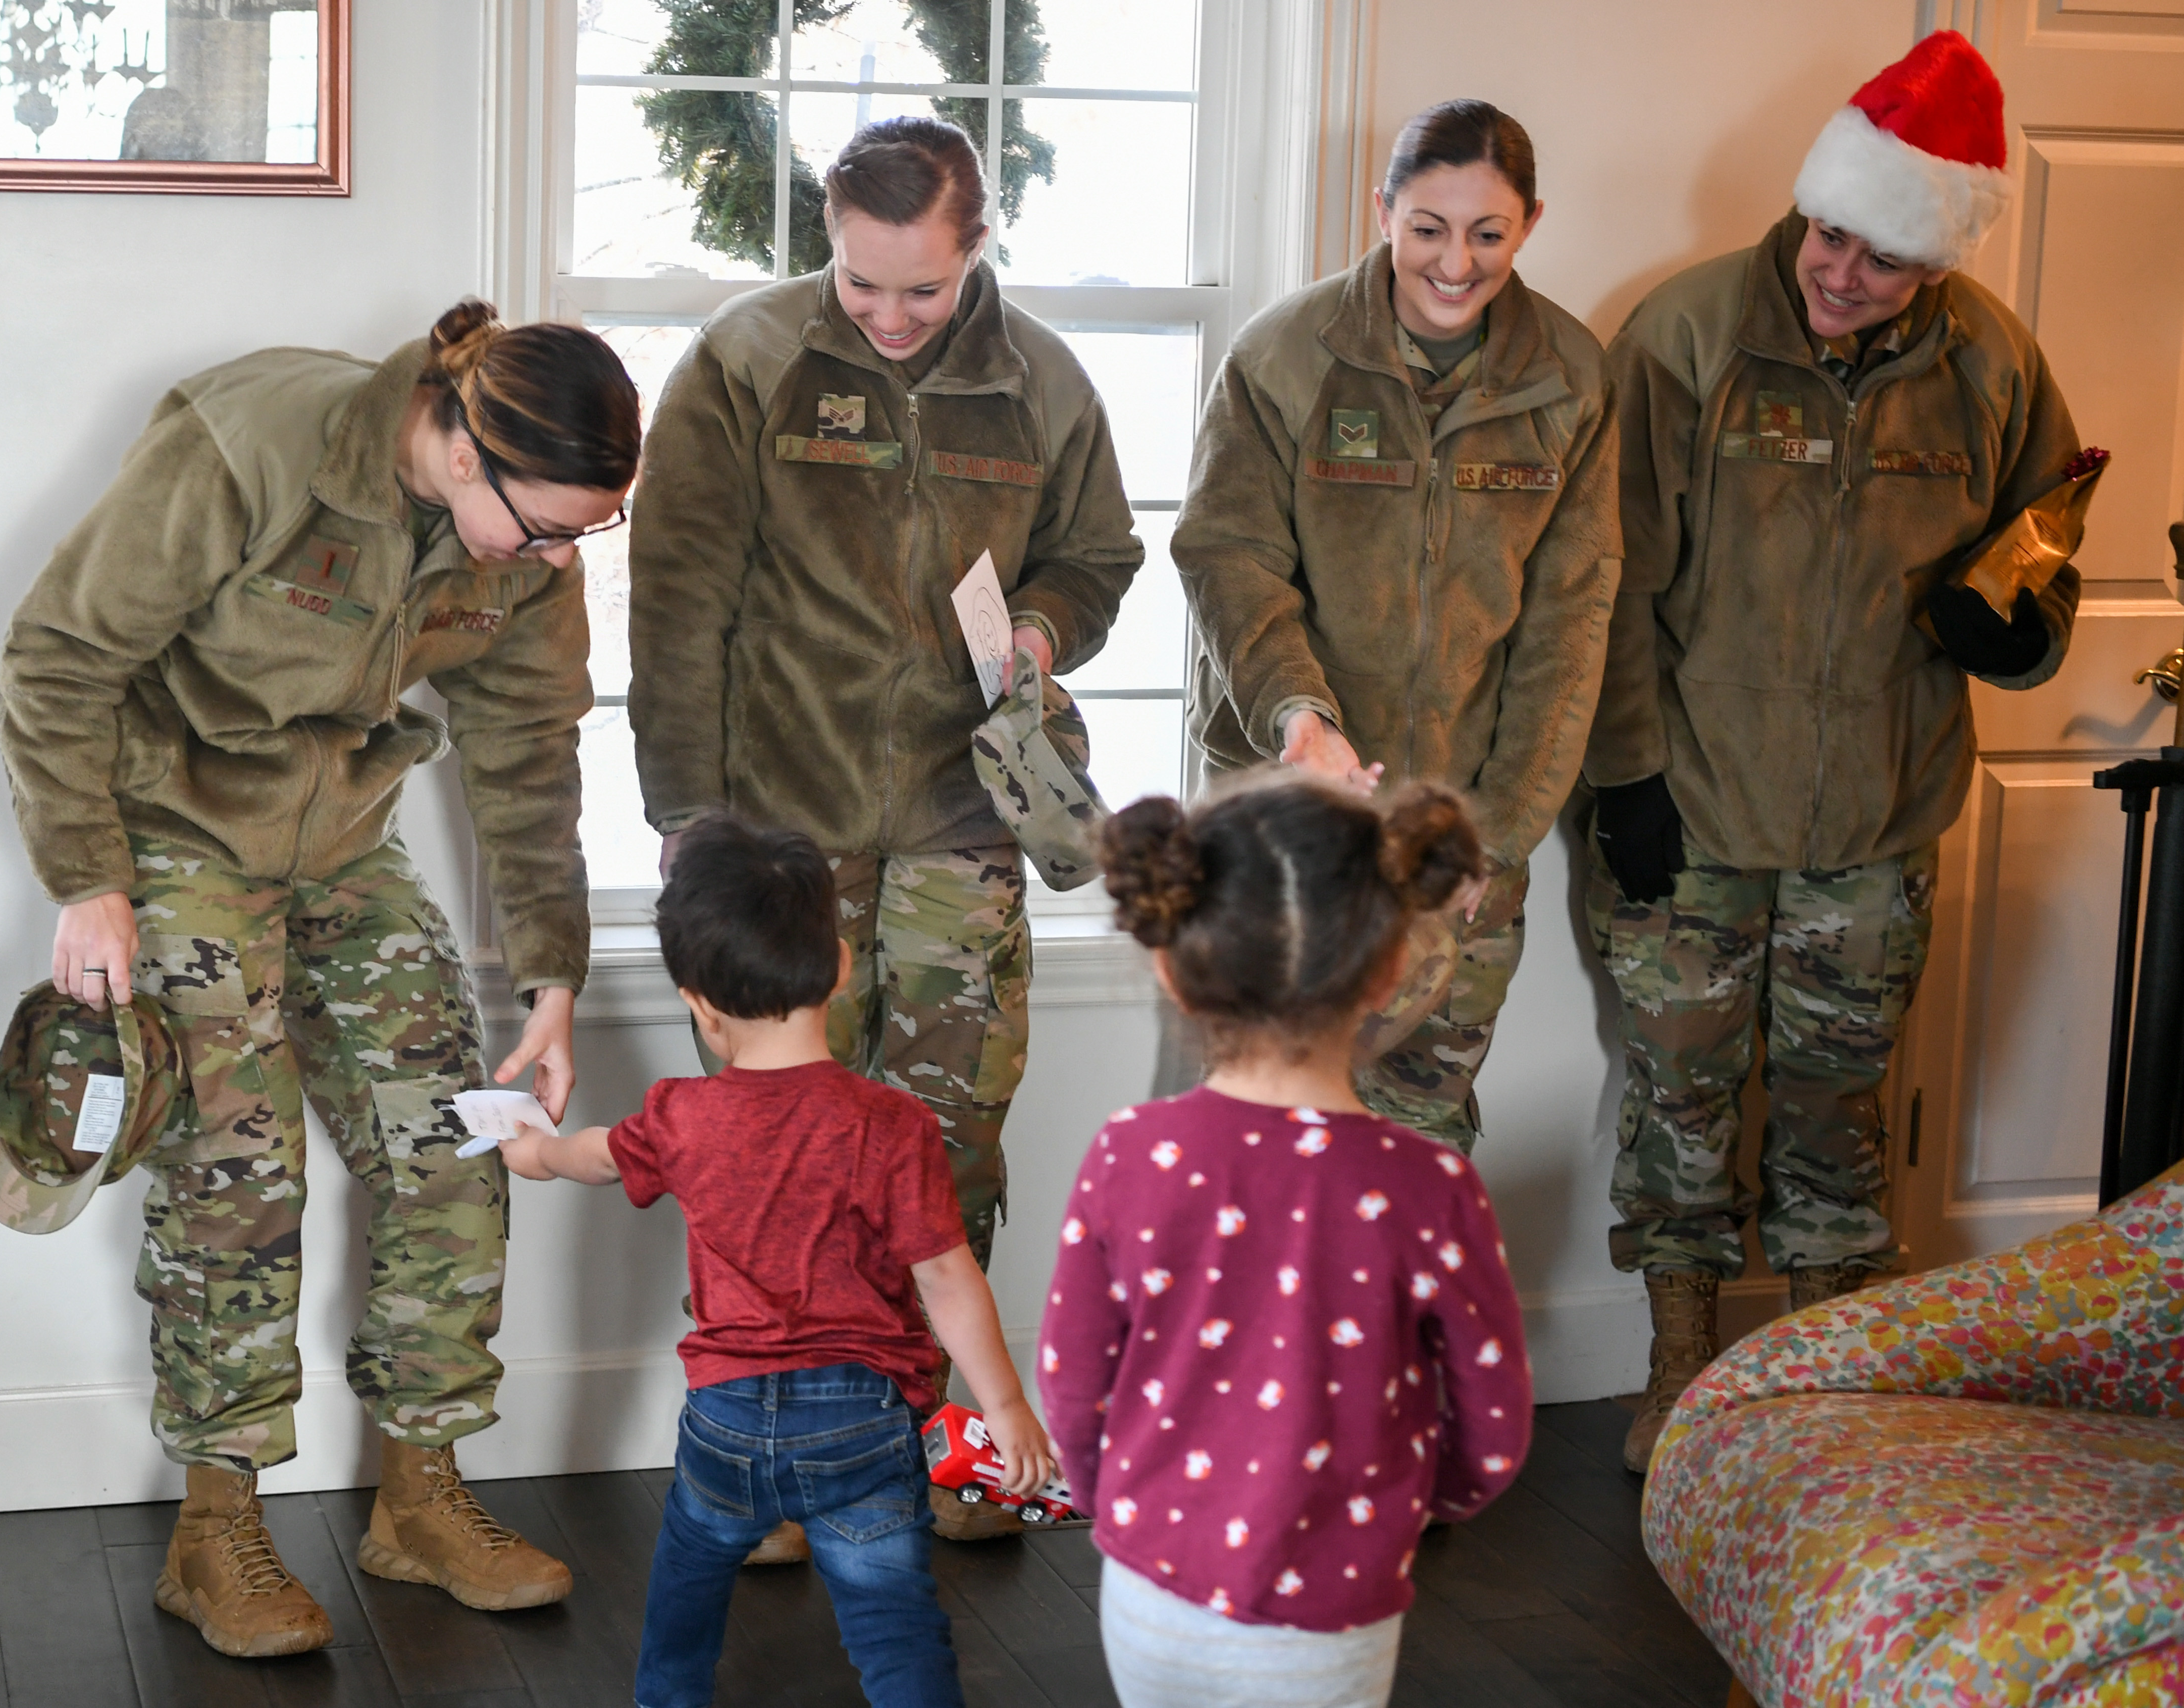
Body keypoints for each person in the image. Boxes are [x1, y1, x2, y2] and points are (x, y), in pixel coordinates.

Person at [0, 299, 638, 1657]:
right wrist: (87, 879)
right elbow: (59, 657)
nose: (559, 553)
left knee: (461, 1142)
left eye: (586, 531)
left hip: (345, 840)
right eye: (549, 523)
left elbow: (528, 756)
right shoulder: (255, 442)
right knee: (242, 1177)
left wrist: (552, 976)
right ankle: (214, 1528)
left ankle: (420, 1494)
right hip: (177, 831)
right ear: (466, 451)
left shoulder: (524, 556)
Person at [628, 115, 1141, 1542]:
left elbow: (1098, 554)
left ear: (976, 244)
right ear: (830, 242)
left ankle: (943, 1440)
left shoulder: (1041, 379)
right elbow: (674, 602)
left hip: (959, 814)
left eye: (921, 287)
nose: (893, 316)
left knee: (943, 1141)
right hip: (773, 826)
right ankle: (780, 1464)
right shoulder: (745, 361)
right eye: (863, 284)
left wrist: (1042, 624)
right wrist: (684, 815)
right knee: (769, 1156)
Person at [1582, 32, 2089, 1474]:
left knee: (1836, 1107)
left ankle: (1830, 1380)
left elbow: (2043, 536)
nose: (1836, 270)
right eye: (1826, 233)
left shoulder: (1990, 361)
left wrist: (2018, 628)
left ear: (1931, 265)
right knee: (1679, 1097)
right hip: (1686, 804)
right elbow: (1607, 578)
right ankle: (1678, 1365)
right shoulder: (1686, 337)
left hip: (1876, 808)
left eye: (1876, 255)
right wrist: (1622, 778)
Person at [502, 814, 1053, 1707]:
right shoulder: (892, 1123)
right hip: (864, 1425)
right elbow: (947, 1277)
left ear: (696, 1002)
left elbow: (593, 1154)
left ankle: (666, 1699)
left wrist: (531, 1153)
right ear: (839, 966)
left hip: (724, 1418)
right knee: (893, 1623)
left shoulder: (680, 1115)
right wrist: (1006, 1406)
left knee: (687, 1580)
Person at [1169, 100, 1620, 1154]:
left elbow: (1571, 614)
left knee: (1415, 1143)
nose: (1454, 263)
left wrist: (1495, 834)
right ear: (1381, 212)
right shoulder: (1284, 356)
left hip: (1456, 833)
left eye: (1486, 232)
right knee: (1269, 1134)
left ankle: (1390, 1327)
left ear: (1530, 222)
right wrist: (1299, 714)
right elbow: (1227, 556)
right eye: (1426, 227)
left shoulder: (1570, 377)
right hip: (1285, 826)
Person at [1037, 777, 1533, 1708]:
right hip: (1330, 1615)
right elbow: (1492, 1424)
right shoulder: (1428, 1186)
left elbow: (1070, 1383)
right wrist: (1422, 1506)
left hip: (1148, 1597)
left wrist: (1118, 1501)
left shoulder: (1129, 1153)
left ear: (1171, 967)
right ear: (1390, 971)